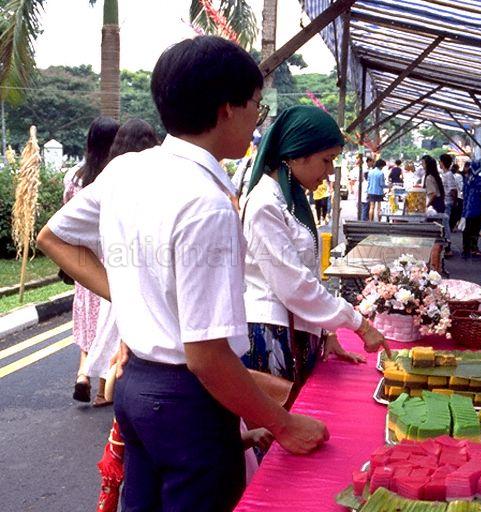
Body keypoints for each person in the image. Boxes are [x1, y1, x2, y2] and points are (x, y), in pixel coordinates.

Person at [38, 36, 328, 511]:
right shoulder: (207, 203)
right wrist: (285, 423)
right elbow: (208, 358)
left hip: (136, 388)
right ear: (225, 110)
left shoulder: (128, 170)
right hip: (187, 400)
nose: (258, 118)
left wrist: (130, 299)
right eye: (255, 103)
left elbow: (53, 235)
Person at [241, 105, 390, 384]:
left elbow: (306, 273)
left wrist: (327, 333)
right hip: (272, 335)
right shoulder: (265, 205)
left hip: (295, 331)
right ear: (297, 155)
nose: (330, 171)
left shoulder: (291, 200)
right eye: (326, 159)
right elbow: (295, 286)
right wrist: (359, 324)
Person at [82, 118, 160, 407]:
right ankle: (115, 387)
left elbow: (60, 234)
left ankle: (102, 387)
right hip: (145, 267)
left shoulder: (105, 176)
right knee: (128, 333)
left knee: (107, 329)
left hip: (107, 266)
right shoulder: (158, 178)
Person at [63, 115, 119, 403]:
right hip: (109, 255)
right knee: (107, 322)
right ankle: (101, 389)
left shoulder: (74, 177)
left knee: (87, 319)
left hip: (82, 255)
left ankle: (83, 374)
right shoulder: (115, 177)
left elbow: (66, 216)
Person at [461, 160, 481, 259]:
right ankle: (473, 248)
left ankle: (466, 249)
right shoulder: (480, 181)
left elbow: (464, 194)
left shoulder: (467, 179)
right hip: (478, 209)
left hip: (468, 209)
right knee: (475, 229)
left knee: (467, 229)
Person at [438, 153, 461, 231]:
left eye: (440, 161)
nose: (439, 163)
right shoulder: (445, 174)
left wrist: (454, 203)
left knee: (445, 224)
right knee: (444, 223)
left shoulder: (448, 175)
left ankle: (447, 239)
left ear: (442, 162)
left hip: (447, 202)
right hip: (445, 202)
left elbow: (453, 190)